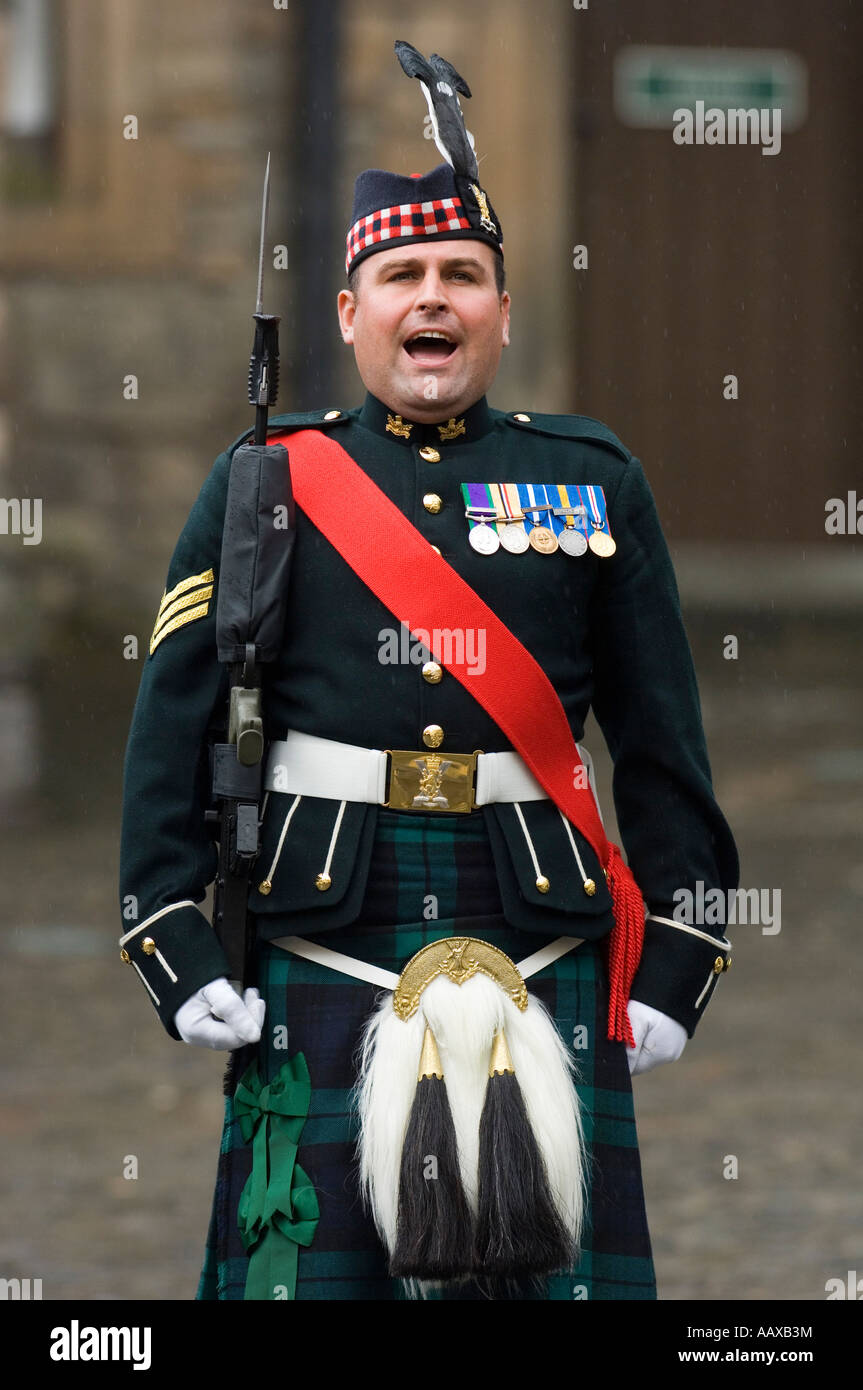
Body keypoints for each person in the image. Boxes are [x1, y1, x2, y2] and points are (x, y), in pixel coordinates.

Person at [118, 45, 738, 1302]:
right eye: (400, 275)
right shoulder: (268, 481)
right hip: (323, 922)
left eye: (461, 275)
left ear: (503, 310)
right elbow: (171, 721)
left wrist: (679, 944)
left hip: (540, 928)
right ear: (350, 314)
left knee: (546, 1281)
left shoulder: (591, 479)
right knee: (313, 1275)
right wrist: (171, 933)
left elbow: (661, 733)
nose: (432, 299)